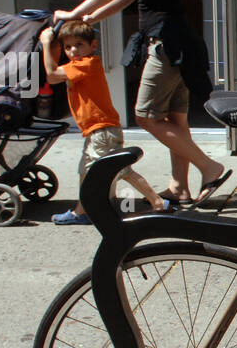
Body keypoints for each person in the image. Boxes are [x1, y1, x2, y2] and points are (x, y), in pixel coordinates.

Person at [54, 0, 229, 207]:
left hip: (169, 43)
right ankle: (180, 187)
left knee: (146, 115)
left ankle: (210, 167)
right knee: (176, 119)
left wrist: (73, 12)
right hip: (175, 43)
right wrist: (89, 19)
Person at [39, 21, 171, 224]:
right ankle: (81, 211)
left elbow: (52, 74)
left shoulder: (87, 64)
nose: (73, 50)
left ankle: (158, 203)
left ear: (93, 45)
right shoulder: (78, 65)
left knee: (121, 170)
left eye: (79, 44)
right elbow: (56, 69)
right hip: (97, 131)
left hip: (102, 130)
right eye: (67, 47)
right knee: (86, 171)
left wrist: (46, 43)